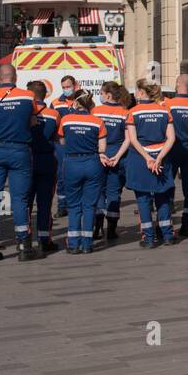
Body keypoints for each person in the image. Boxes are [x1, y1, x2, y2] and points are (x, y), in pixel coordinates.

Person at [0, 65, 41, 263]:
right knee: (20, 198)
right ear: (15, 77)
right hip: (19, 150)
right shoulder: (28, 96)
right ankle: (24, 245)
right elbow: (33, 120)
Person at [125, 80, 176, 248]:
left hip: (140, 159)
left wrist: (148, 158)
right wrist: (159, 157)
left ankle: (148, 238)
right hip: (162, 156)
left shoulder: (133, 112)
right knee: (163, 197)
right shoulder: (164, 111)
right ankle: (167, 235)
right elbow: (171, 138)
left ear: (141, 93)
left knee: (143, 199)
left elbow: (133, 139)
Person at [57, 91, 106, 254]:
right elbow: (102, 148)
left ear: (76, 103)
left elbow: (62, 142)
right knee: (89, 205)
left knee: (73, 205)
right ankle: (87, 244)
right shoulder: (98, 122)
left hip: (72, 163)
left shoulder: (66, 120)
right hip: (92, 163)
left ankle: (73, 244)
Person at [92, 82, 130, 244]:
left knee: (98, 191)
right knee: (114, 193)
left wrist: (100, 154)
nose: (100, 96)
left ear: (108, 95)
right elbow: (128, 139)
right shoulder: (125, 113)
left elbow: (92, 135)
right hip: (117, 156)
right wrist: (118, 156)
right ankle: (112, 230)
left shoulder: (95, 111)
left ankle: (98, 227)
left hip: (99, 155)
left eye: (101, 93)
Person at [25, 80, 60, 254]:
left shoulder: (24, 112)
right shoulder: (54, 114)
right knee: (45, 202)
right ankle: (44, 240)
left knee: (25, 202)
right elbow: (57, 136)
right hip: (46, 160)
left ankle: (25, 238)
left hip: (27, 159)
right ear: (45, 95)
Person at [163, 74, 188, 237]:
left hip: (172, 147)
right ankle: (187, 225)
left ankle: (166, 224)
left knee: (166, 185)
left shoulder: (168, 104)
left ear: (178, 83)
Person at [52, 75, 81, 218]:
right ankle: (62, 206)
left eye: (68, 86)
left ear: (75, 86)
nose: (66, 89)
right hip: (61, 144)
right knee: (61, 175)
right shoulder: (56, 103)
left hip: (79, 144)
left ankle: (76, 204)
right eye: (64, 87)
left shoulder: (82, 101)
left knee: (78, 175)